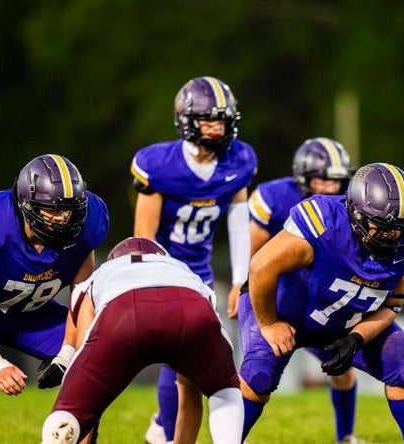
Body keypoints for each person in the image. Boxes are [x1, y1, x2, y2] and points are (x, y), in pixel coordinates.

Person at [239, 163, 404, 444]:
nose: (393, 236)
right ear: (356, 214)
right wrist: (269, 324)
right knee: (258, 377)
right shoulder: (325, 223)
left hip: (346, 320)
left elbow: (392, 304)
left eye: (400, 228)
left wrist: (356, 338)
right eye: (383, 226)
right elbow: (260, 267)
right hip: (285, 310)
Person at [131, 75, 257, 443]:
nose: (218, 128)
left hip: (199, 274)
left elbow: (238, 222)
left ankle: (164, 431)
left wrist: (239, 280)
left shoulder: (239, 161)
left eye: (223, 120)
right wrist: (145, 279)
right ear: (187, 121)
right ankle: (162, 429)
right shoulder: (160, 165)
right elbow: (143, 236)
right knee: (173, 356)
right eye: (209, 120)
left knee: (185, 361)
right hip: (163, 267)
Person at [40, 237, 244, 444]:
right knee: (224, 388)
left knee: (70, 411)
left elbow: (85, 351)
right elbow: (189, 395)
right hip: (190, 306)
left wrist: (78, 409)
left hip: (124, 312)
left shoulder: (100, 275)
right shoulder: (181, 270)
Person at [0, 154, 108, 400]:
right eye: (53, 209)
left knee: (93, 354)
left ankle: (68, 432)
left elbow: (81, 299)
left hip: (34, 315)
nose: (63, 218)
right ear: (26, 204)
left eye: (69, 209)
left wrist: (66, 354)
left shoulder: (86, 228)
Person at [246, 137, 362, 443]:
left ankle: (346, 435)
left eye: (336, 179)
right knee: (256, 374)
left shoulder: (351, 203)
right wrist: (240, 288)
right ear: (303, 176)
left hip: (320, 297)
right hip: (277, 295)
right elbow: (253, 255)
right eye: (321, 178)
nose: (329, 187)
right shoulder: (274, 196)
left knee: (341, 367)